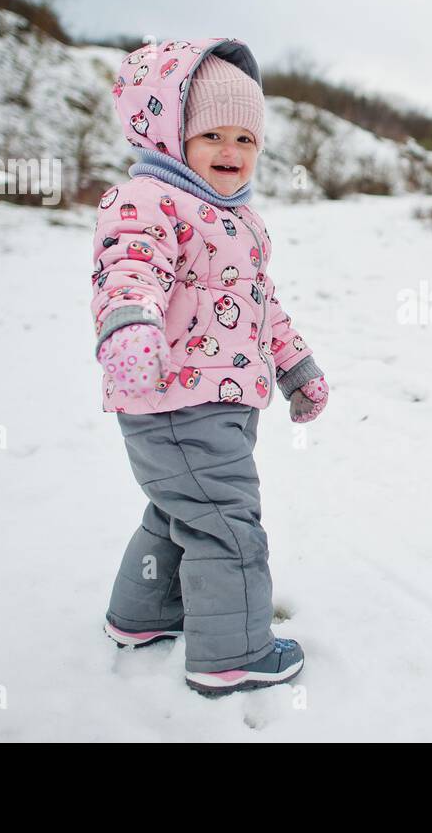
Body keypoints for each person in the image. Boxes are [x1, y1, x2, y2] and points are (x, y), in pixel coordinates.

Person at [91, 37, 327, 696]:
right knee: (227, 523)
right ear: (172, 136)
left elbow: (262, 307)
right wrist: (131, 326)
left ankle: (143, 614)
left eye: (246, 138)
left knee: (179, 512)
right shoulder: (148, 200)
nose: (231, 151)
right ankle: (233, 653)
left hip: (218, 406)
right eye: (213, 134)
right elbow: (128, 265)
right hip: (172, 398)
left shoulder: (239, 222)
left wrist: (296, 365)